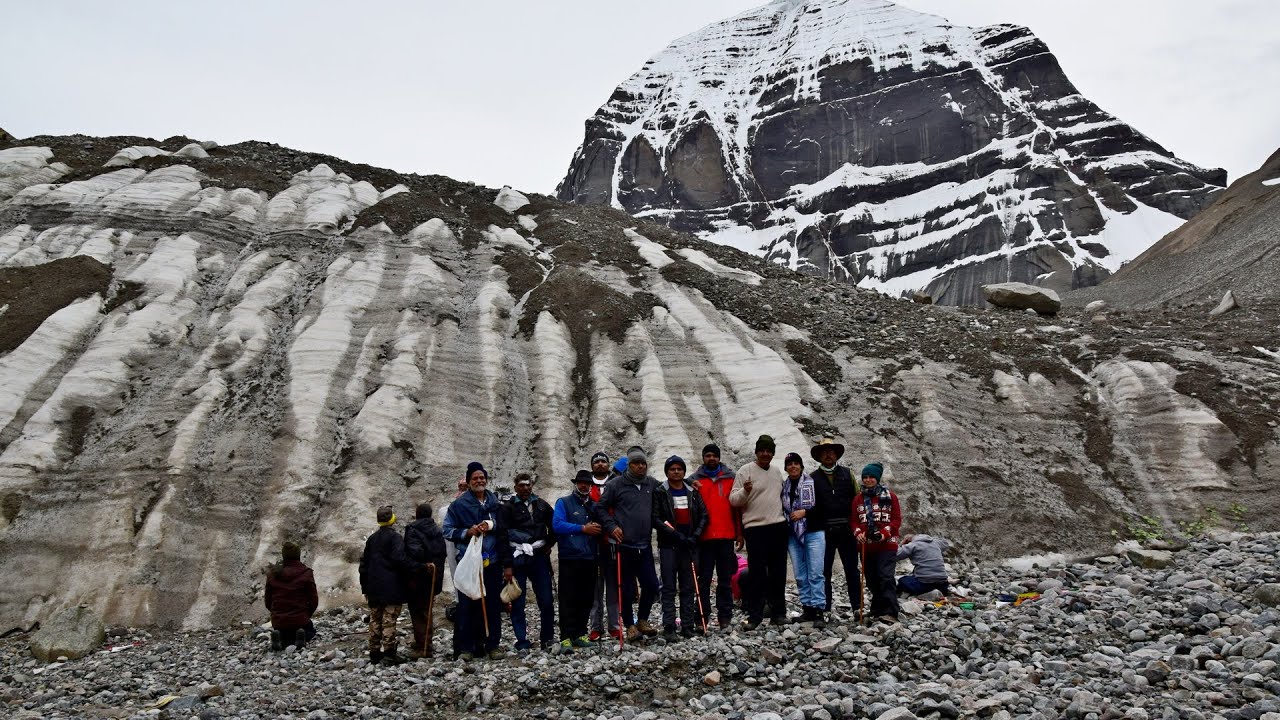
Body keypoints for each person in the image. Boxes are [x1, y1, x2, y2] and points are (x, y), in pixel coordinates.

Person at [594, 447, 662, 642]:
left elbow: (670, 487)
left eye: (643, 463)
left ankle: (642, 620)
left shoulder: (652, 484)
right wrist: (611, 526)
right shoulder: (616, 484)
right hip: (623, 546)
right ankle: (630, 626)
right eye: (636, 463)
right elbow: (600, 508)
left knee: (651, 585)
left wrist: (692, 483)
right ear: (629, 465)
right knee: (627, 589)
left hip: (645, 545)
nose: (640, 466)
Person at [442, 462, 506, 660]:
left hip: (492, 561)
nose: (479, 481)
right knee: (468, 605)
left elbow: (504, 526)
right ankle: (466, 648)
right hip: (469, 562)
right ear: (469, 482)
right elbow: (446, 530)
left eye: (482, 478)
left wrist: (491, 524)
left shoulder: (494, 502)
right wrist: (466, 532)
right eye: (475, 478)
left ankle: (493, 645)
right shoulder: (458, 505)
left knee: (493, 604)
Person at [729, 435, 789, 629]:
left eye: (769, 450)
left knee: (779, 572)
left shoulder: (777, 472)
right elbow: (733, 500)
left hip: (778, 526)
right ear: (756, 452)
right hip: (755, 529)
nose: (765, 454)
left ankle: (778, 613)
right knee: (757, 574)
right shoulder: (745, 471)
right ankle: (755, 616)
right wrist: (745, 491)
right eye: (762, 450)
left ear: (772, 453)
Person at [500, 472, 557, 651]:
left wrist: (549, 543)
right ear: (515, 487)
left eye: (528, 485)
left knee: (547, 599)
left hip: (539, 556)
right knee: (518, 599)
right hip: (517, 557)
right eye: (521, 485)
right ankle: (522, 640)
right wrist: (507, 565)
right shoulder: (507, 508)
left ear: (532, 486)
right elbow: (502, 535)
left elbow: (554, 524)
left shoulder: (541, 505)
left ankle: (547, 638)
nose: (525, 488)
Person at [655, 455, 709, 638]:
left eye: (679, 469)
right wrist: (674, 535)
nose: (676, 472)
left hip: (689, 545)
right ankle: (669, 626)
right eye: (672, 469)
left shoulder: (692, 491)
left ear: (684, 471)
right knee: (669, 587)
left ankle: (687, 626)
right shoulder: (660, 491)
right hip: (669, 546)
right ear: (667, 472)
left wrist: (695, 536)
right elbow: (656, 518)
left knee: (688, 586)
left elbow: (703, 515)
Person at [359, 505, 420, 665]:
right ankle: (389, 653)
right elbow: (400, 560)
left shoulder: (372, 539)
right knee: (389, 620)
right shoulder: (395, 538)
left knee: (375, 619)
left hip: (373, 586)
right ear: (392, 519)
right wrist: (416, 569)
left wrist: (365, 586)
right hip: (391, 586)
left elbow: (364, 565)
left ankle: (374, 652)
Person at [689, 443, 738, 630]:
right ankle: (702, 616)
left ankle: (725, 616)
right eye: (708, 455)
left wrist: (738, 534)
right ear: (703, 457)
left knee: (725, 579)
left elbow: (737, 509)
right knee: (704, 579)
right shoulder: (693, 481)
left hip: (726, 535)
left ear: (719, 458)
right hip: (704, 538)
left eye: (714, 456)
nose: (711, 459)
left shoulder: (731, 479)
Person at [809, 437, 859, 616]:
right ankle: (825, 608)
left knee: (852, 569)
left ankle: (857, 607)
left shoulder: (848, 474)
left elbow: (857, 500)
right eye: (824, 452)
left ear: (836, 454)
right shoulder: (812, 478)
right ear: (820, 456)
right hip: (824, 530)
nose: (828, 454)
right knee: (824, 571)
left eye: (831, 451)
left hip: (847, 529)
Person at [553, 470, 603, 648]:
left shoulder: (595, 505)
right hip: (569, 556)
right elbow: (557, 525)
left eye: (587, 483)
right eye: (581, 482)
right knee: (568, 597)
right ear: (575, 483)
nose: (584, 485)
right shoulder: (564, 502)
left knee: (586, 596)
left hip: (590, 556)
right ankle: (566, 635)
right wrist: (583, 528)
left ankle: (580, 633)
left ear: (591, 485)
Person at [781, 452, 832, 626]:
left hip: (814, 532)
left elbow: (826, 507)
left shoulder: (814, 482)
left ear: (801, 466)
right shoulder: (784, 487)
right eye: (789, 464)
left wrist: (805, 512)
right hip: (793, 535)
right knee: (800, 574)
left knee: (816, 572)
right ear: (786, 468)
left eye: (796, 463)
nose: (793, 466)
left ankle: (819, 610)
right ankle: (807, 608)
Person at [852, 462, 902, 622]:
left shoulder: (890, 496)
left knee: (885, 576)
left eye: (871, 477)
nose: (868, 480)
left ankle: (891, 611)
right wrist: (858, 532)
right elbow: (853, 520)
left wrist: (884, 532)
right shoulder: (858, 499)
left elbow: (896, 519)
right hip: (866, 545)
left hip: (887, 544)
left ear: (877, 478)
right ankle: (877, 608)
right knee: (872, 578)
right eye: (865, 477)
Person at [404, 502, 447, 659]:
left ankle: (424, 647)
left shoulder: (413, 530)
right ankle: (424, 641)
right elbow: (442, 553)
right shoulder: (437, 530)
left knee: (418, 612)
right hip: (434, 577)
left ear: (417, 514)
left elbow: (415, 552)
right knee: (427, 610)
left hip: (418, 577)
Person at [586, 451, 619, 641]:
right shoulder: (585, 485)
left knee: (613, 587)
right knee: (595, 589)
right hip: (593, 542)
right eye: (596, 461)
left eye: (603, 461)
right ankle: (595, 626)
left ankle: (614, 626)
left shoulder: (616, 483)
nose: (599, 464)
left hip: (612, 541)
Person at [264, 541, 318, 651]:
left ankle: (279, 638)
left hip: (279, 621)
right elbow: (313, 600)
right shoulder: (306, 573)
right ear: (298, 555)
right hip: (300, 619)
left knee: (283, 631)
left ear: (284, 556)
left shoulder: (273, 574)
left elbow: (268, 601)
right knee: (310, 630)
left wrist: (276, 613)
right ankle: (301, 638)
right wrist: (306, 614)